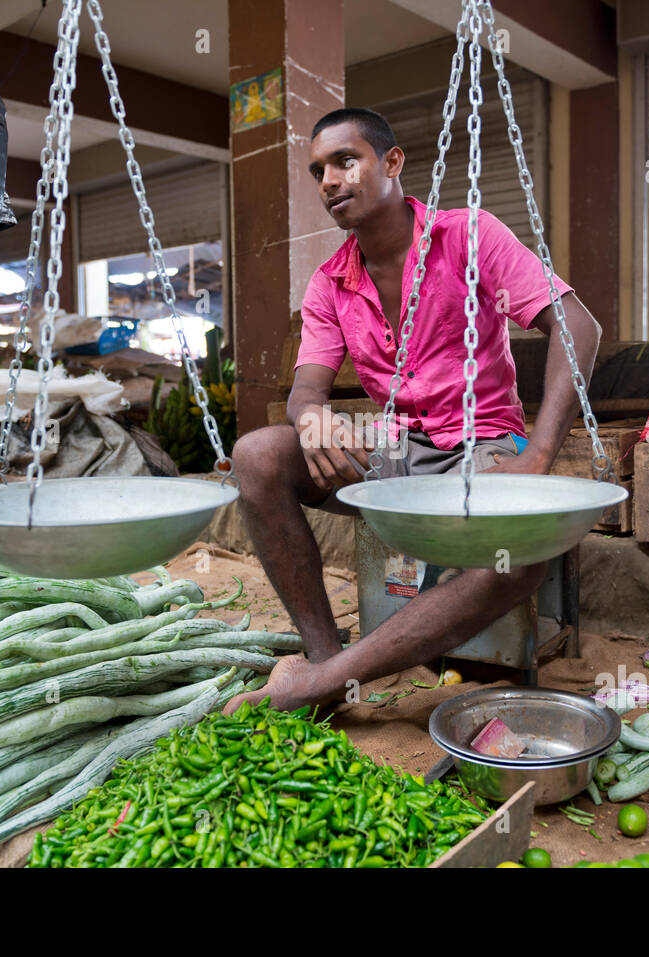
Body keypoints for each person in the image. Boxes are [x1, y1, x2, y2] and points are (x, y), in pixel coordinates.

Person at [224, 107, 601, 713]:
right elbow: (307, 391)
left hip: (482, 444)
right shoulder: (329, 283)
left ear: (393, 163)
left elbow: (577, 325)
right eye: (319, 170)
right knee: (258, 454)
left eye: (347, 161)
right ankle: (324, 659)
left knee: (519, 559)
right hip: (394, 448)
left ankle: (321, 683)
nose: (329, 181)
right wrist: (312, 419)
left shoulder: (468, 236)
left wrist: (538, 456)